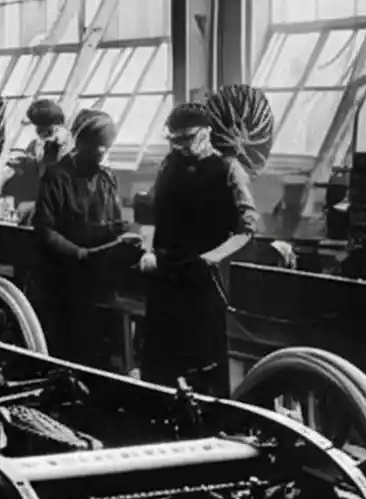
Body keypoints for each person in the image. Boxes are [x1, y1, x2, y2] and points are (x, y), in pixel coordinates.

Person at [137, 102, 260, 397]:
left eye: (186, 138)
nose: (179, 146)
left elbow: (247, 227)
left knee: (202, 362)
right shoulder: (168, 165)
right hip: (164, 275)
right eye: (174, 139)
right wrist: (146, 249)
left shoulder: (229, 169)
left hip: (202, 280)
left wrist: (211, 258)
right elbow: (150, 215)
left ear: (206, 132)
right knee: (159, 361)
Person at [32, 110, 135, 370]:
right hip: (64, 276)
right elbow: (45, 230)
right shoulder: (57, 177)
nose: (101, 155)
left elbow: (115, 222)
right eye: (96, 149)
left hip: (99, 273)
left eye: (106, 149)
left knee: (99, 342)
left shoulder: (107, 178)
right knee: (69, 343)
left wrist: (125, 237)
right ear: (81, 145)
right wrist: (78, 254)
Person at [0, 99, 70, 220]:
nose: (38, 131)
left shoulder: (60, 142)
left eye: (41, 126)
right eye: (36, 126)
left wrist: (32, 164)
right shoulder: (38, 143)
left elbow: (50, 172)